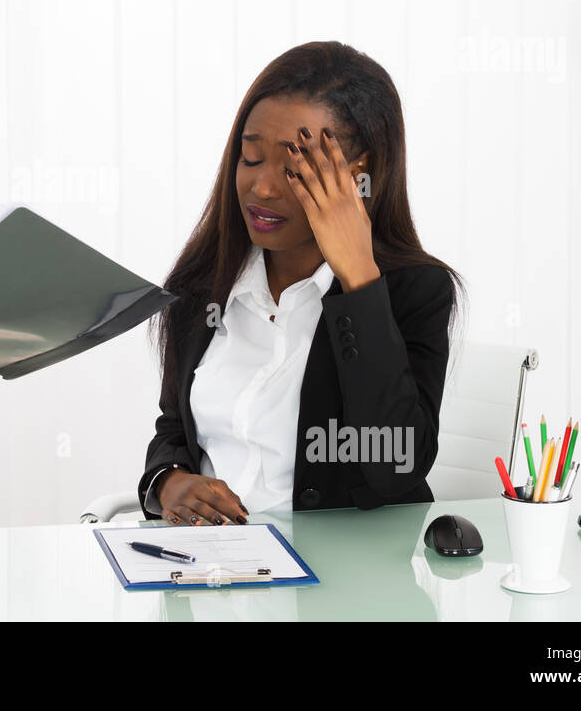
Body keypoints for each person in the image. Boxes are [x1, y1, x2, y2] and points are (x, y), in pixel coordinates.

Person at [138, 41, 465, 524]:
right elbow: (176, 429)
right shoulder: (203, 285)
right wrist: (168, 481)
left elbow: (395, 467)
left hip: (340, 586)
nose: (263, 187)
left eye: (294, 166)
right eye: (250, 159)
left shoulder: (414, 291)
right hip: (212, 571)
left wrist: (359, 281)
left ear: (358, 176)